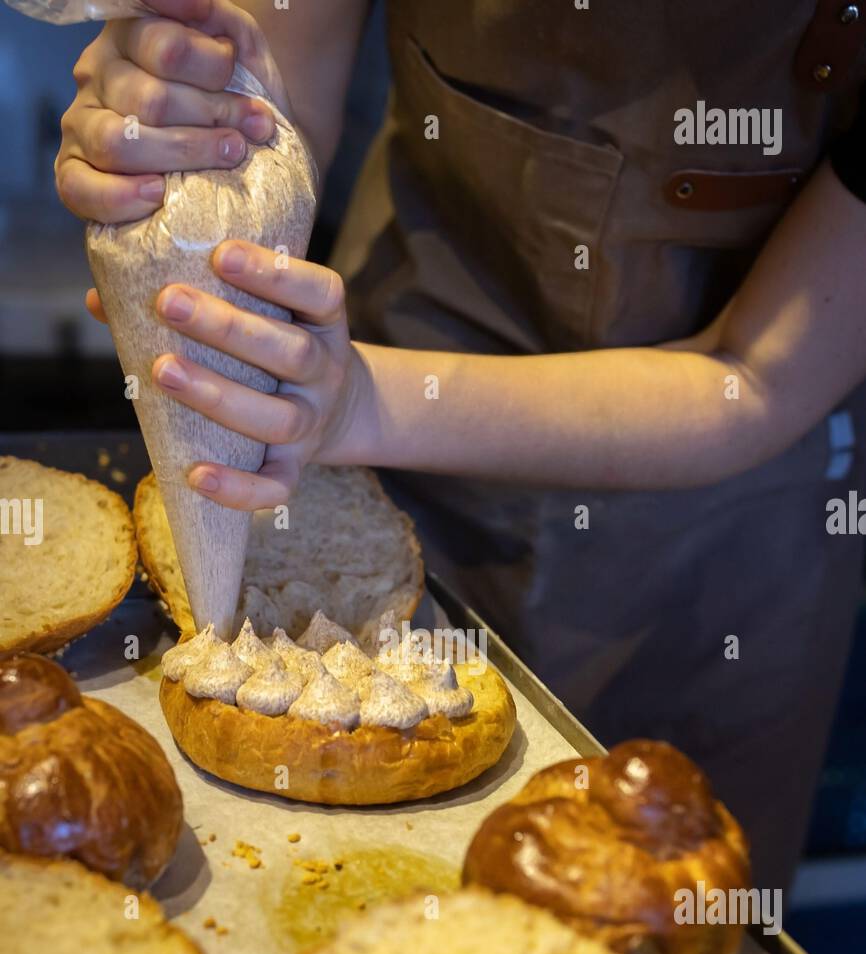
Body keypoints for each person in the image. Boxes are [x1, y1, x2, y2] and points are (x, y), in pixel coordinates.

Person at [55, 0, 866, 891]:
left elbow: (752, 376)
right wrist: (217, 134)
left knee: (658, 918)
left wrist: (361, 401)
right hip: (382, 441)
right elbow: (286, 80)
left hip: (712, 549)